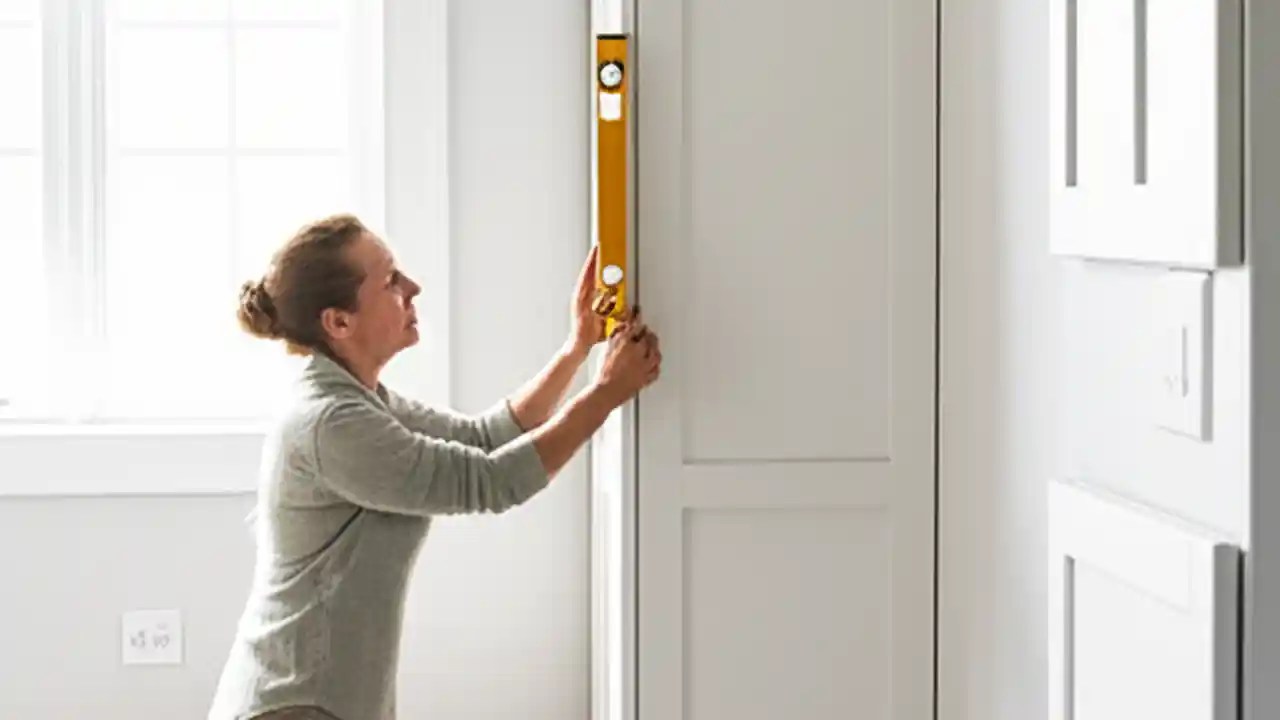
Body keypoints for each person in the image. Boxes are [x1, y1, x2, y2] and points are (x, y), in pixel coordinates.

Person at [208, 214, 660, 720]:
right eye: (390, 282)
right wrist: (605, 393)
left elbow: (484, 438)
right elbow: (491, 481)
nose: (413, 288)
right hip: (298, 703)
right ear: (338, 322)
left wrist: (578, 348)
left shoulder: (358, 398)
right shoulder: (333, 422)